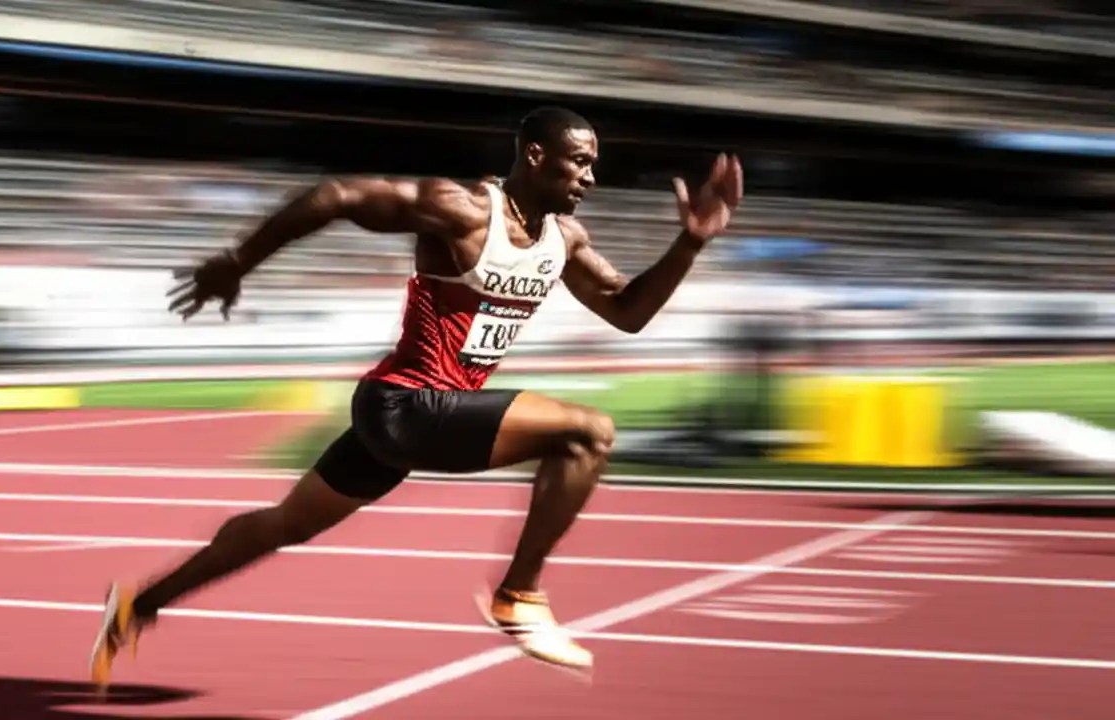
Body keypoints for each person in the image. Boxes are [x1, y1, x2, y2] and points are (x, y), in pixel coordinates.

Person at [90, 107, 742, 688]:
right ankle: (518, 595)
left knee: (283, 525)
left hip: (415, 423)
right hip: (402, 406)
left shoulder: (564, 241)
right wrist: (237, 261)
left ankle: (139, 605)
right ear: (536, 156)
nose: (590, 178)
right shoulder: (459, 210)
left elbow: (628, 312)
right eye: (580, 161)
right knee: (588, 432)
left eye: (594, 166)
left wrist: (689, 242)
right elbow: (335, 194)